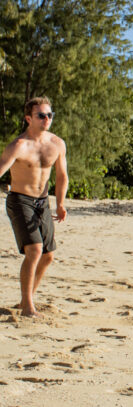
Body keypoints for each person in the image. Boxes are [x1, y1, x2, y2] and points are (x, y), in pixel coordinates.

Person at [0, 97, 69, 317]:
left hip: (42, 202)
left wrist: (60, 203)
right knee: (35, 250)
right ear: (29, 118)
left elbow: (61, 176)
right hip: (20, 200)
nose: (47, 119)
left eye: (50, 115)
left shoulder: (57, 144)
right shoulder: (19, 146)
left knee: (48, 255)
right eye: (41, 115)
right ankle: (29, 307)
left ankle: (24, 300)